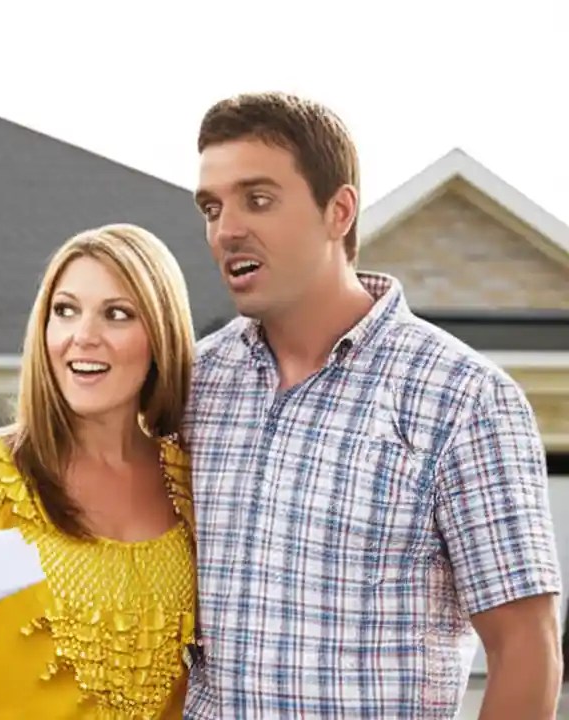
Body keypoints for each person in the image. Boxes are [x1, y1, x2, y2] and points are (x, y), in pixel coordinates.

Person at [183, 91, 563, 718]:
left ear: (339, 211)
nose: (226, 229)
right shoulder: (194, 383)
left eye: (259, 199)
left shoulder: (464, 400)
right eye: (212, 206)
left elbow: (527, 646)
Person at [0, 223, 200, 719]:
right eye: (65, 311)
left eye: (117, 314)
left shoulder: (187, 478)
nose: (83, 336)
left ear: (161, 335)